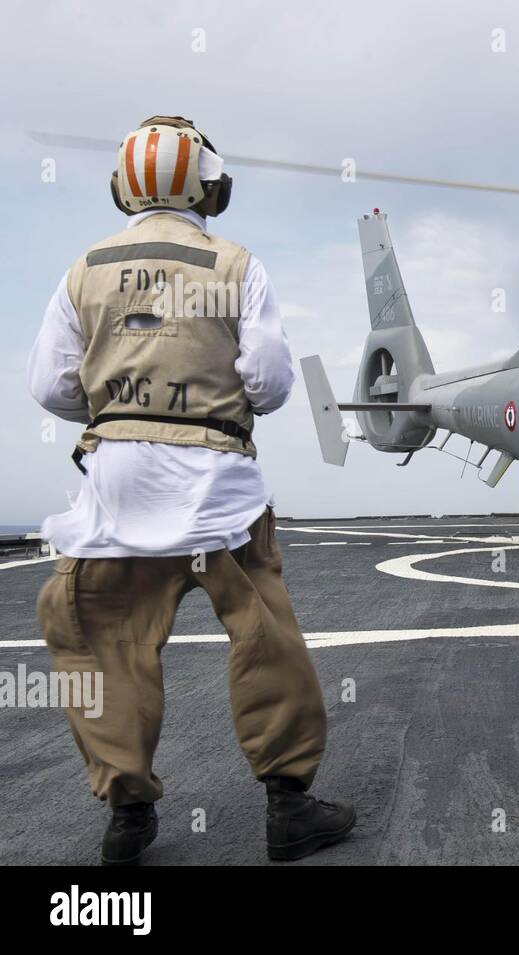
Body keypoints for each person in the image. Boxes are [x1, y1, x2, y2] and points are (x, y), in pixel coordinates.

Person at [27, 115, 354, 865]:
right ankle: (289, 805)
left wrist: (122, 412)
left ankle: (127, 816)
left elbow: (49, 384)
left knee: (101, 638)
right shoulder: (237, 265)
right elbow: (269, 383)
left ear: (123, 187)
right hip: (220, 493)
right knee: (265, 636)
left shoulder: (83, 269)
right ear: (210, 185)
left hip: (115, 489)